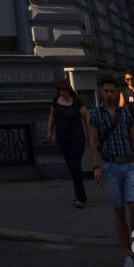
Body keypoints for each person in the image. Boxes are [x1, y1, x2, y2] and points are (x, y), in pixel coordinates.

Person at [88, 74, 134, 267]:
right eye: (106, 91)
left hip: (130, 165)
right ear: (101, 92)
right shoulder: (96, 114)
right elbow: (92, 141)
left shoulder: (124, 114)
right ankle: (127, 253)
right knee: (119, 210)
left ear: (116, 93)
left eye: (112, 91)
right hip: (110, 166)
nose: (109, 94)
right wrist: (96, 166)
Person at [45, 77, 90, 207]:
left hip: (76, 138)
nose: (62, 93)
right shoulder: (56, 101)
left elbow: (87, 118)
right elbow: (52, 117)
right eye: (60, 91)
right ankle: (79, 193)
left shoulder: (76, 102)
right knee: (71, 166)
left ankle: (80, 197)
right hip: (62, 138)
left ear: (68, 90)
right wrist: (50, 132)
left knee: (75, 165)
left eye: (63, 91)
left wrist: (89, 136)